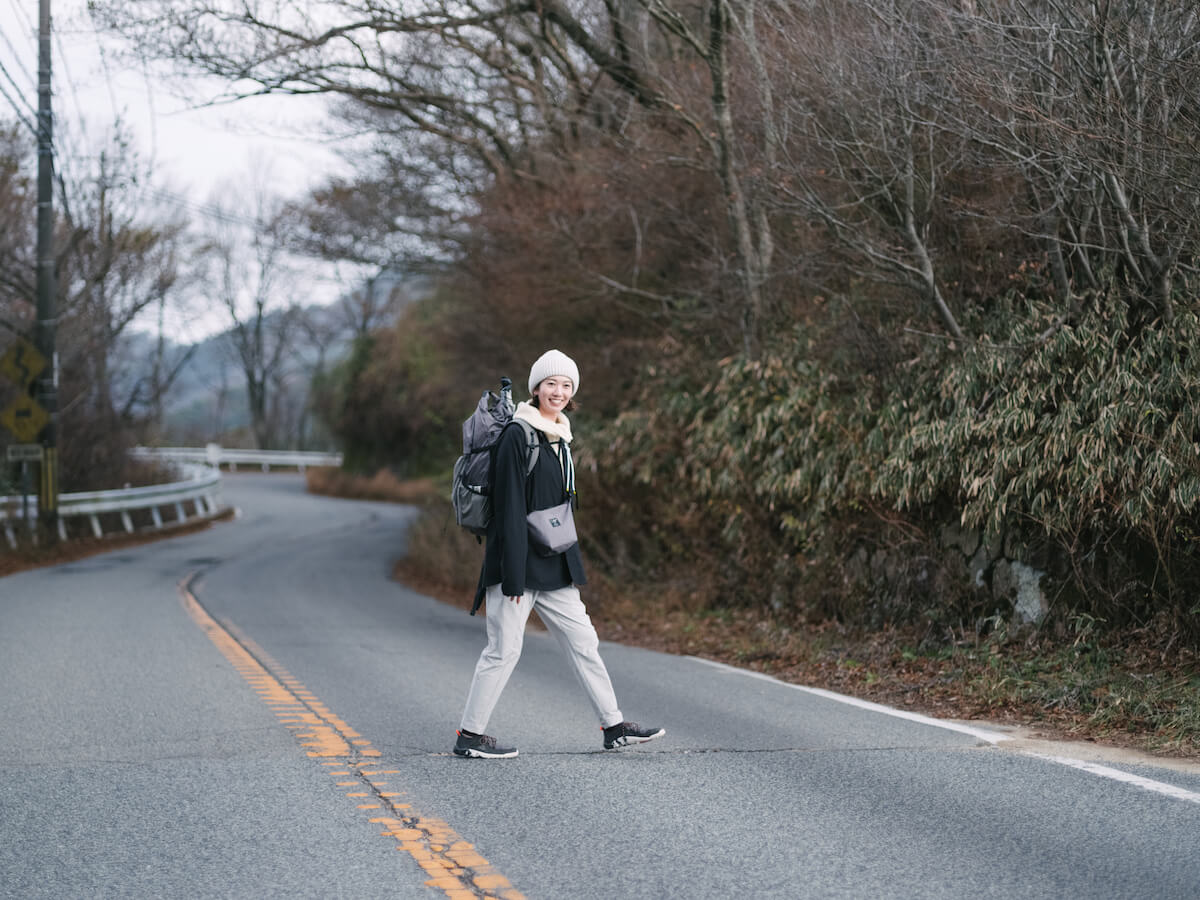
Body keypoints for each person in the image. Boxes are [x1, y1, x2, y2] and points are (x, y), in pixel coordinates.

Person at [454, 349, 665, 759]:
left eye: (567, 385)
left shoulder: (560, 437)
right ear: (535, 388)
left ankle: (614, 725)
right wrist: (512, 576)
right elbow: (511, 507)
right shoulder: (518, 434)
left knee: (584, 642)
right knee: (504, 651)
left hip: (554, 562)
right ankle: (470, 736)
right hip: (516, 564)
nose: (559, 391)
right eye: (551, 383)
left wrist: (570, 561)